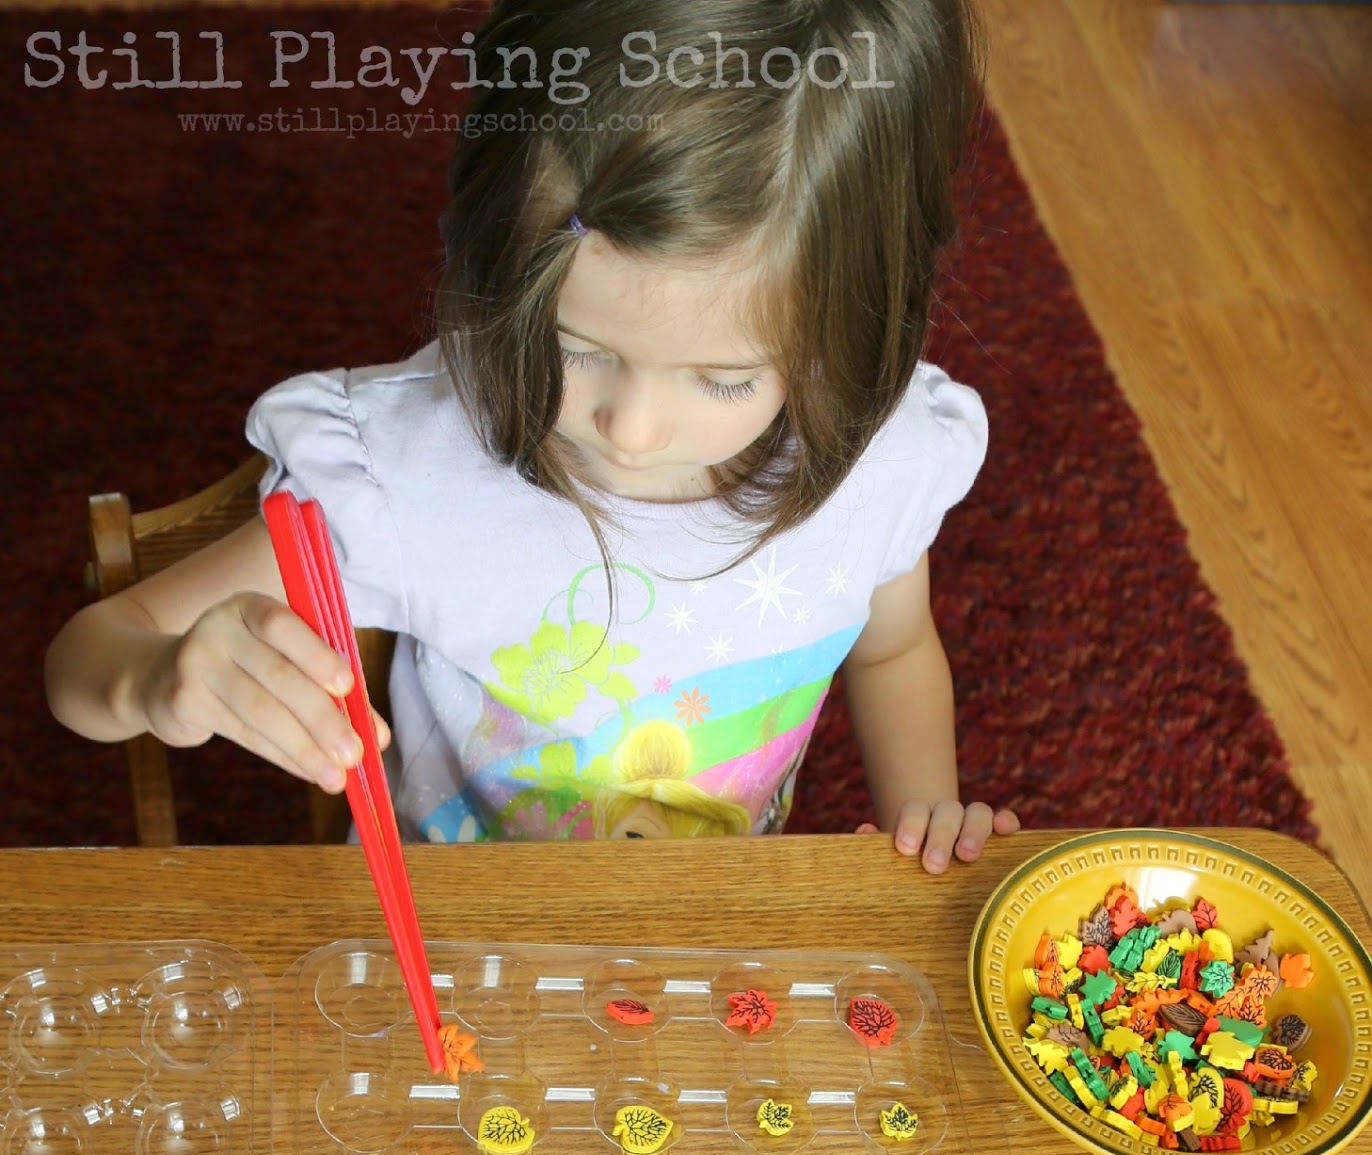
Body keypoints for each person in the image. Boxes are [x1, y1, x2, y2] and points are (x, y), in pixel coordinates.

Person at [45, 0, 1019, 872]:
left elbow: (891, 653)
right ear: (497, 264)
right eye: (574, 346)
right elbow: (91, 655)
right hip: (457, 937)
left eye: (723, 379)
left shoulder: (878, 467)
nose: (630, 431)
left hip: (707, 923)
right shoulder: (412, 477)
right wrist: (158, 679)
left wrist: (919, 836)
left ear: (847, 336)